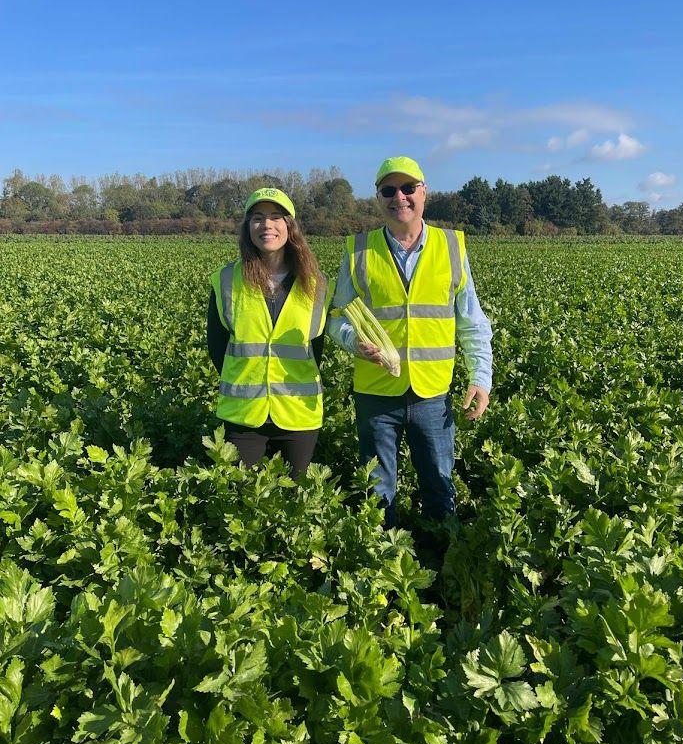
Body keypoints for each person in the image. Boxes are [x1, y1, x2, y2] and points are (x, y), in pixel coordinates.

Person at [328, 156, 492, 528]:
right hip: (376, 392)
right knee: (377, 489)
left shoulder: (451, 247)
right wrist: (354, 343)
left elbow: (472, 321)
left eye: (407, 188)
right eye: (389, 190)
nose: (398, 197)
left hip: (432, 393)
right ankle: (382, 561)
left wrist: (481, 377)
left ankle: (440, 557)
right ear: (378, 198)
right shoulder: (357, 250)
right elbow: (337, 317)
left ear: (424, 192)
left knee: (438, 481)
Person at [207, 187, 333, 479]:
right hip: (242, 416)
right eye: (257, 218)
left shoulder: (316, 284)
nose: (267, 225)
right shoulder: (226, 280)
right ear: (247, 227)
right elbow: (217, 347)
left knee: (294, 503)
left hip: (298, 413)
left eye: (277, 217)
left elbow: (317, 348)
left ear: (290, 227)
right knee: (240, 500)